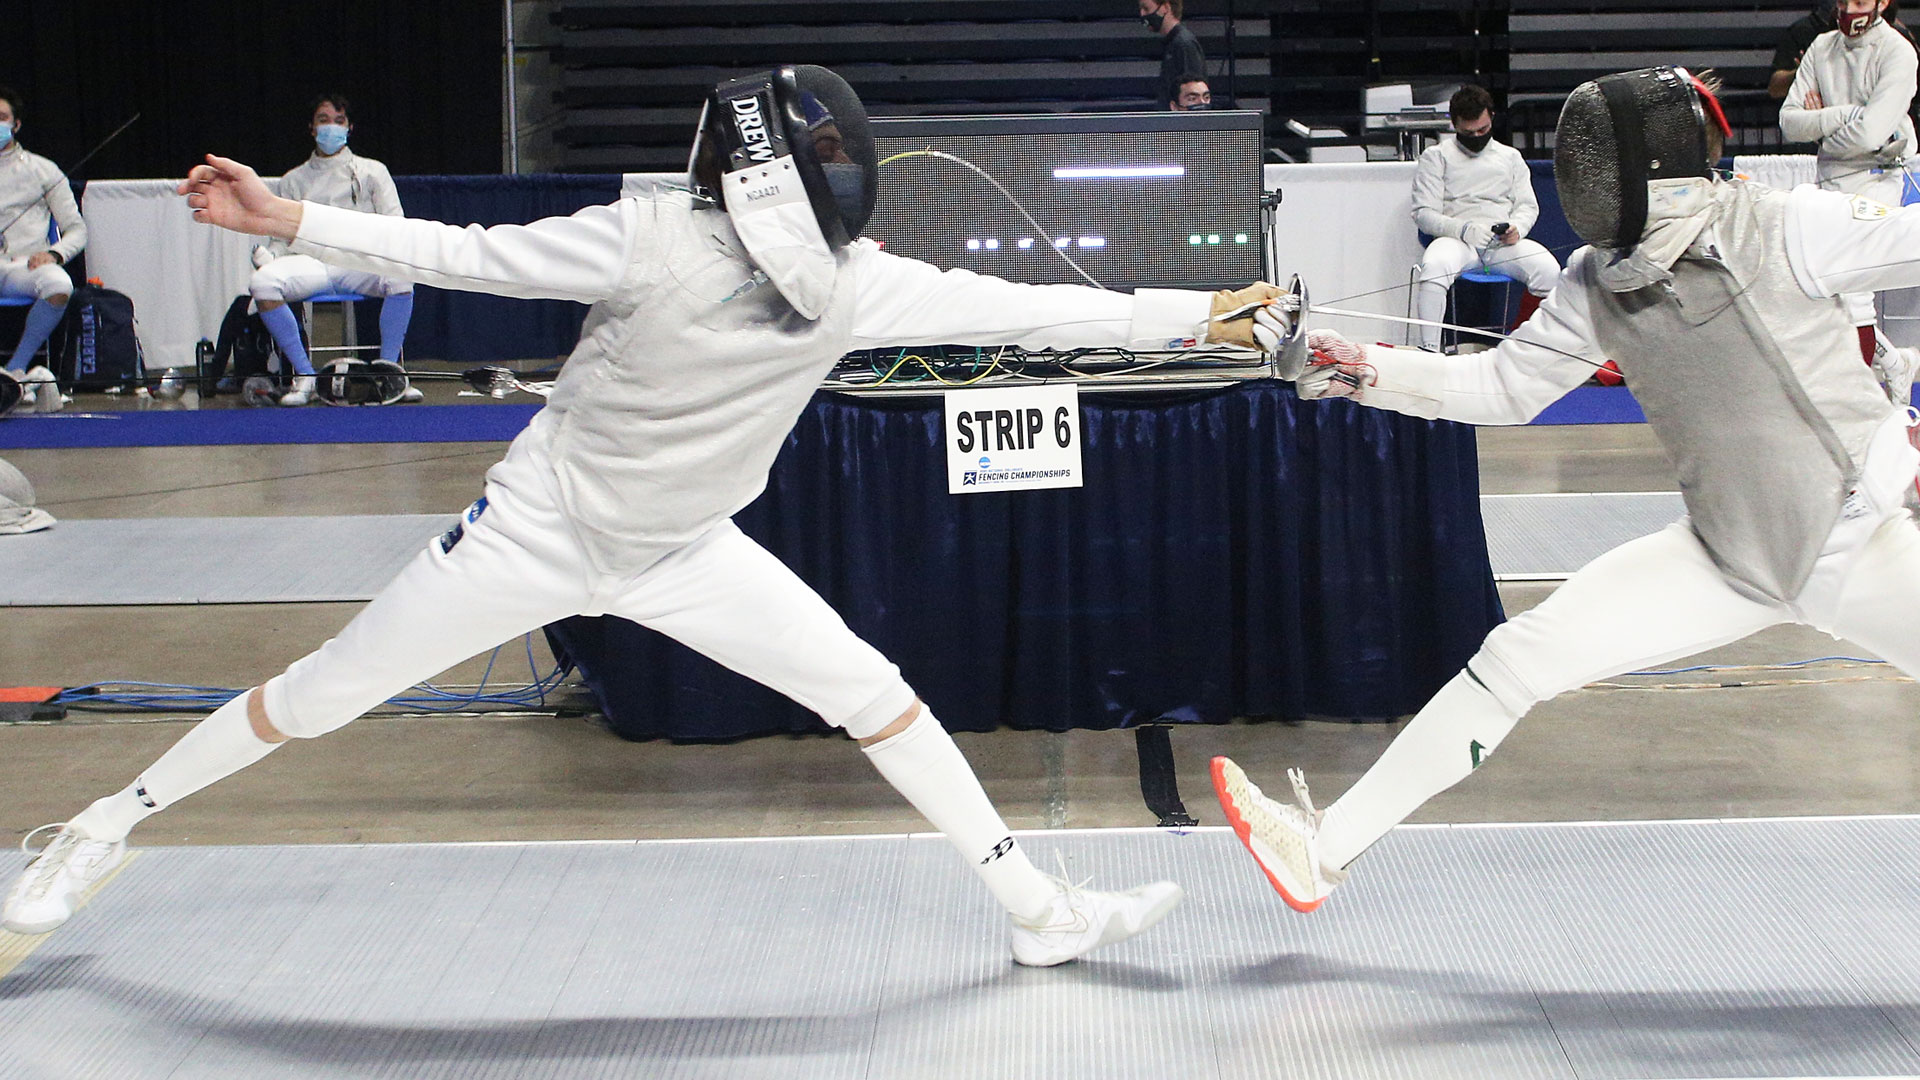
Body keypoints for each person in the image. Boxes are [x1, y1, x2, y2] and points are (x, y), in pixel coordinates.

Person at [1, 66, 1293, 965]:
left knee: (873, 690)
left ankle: (1037, 911)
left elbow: (1029, 309)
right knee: (321, 693)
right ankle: (99, 826)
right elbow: (460, 251)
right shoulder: (644, 236)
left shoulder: (859, 284)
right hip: (535, 533)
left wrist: (1199, 313)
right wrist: (285, 213)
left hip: (685, 552)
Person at [1212, 66, 1920, 912]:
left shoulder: (1786, 225)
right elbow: (1503, 388)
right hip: (1727, 556)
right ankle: (1320, 851)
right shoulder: (1594, 278)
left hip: (1861, 539)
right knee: (1517, 659)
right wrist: (1359, 368)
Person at [247, 93, 419, 406]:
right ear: (311, 128)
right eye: (323, 120)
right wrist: (269, 258)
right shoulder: (293, 180)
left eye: (339, 121)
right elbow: (281, 237)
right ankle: (305, 376)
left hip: (358, 261)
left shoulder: (372, 171)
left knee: (401, 277)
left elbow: (396, 223)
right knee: (262, 283)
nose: (331, 127)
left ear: (349, 127)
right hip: (310, 262)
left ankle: (389, 375)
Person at [1781, 0, 1920, 354]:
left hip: (1876, 179)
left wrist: (1821, 130)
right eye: (1843, 1)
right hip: (1828, 179)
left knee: (1853, 290)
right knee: (1829, 292)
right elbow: (1789, 122)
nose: (1848, 10)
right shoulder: (1821, 47)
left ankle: (1863, 386)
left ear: (1882, 2)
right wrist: (1846, 115)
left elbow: (1872, 134)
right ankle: (1895, 365)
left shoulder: (1898, 51)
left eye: (1858, 2)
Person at [1409, 84, 1560, 353]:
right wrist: (1463, 230)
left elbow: (1527, 206)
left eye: (1482, 130)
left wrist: (1517, 228)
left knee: (1548, 270)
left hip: (1501, 244)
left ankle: (1533, 348)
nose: (1477, 137)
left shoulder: (1510, 157)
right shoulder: (1436, 157)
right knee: (1434, 268)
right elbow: (1424, 214)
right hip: (1456, 241)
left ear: (1491, 117)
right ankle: (1429, 350)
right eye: (1469, 133)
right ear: (1455, 124)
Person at [0, 86, 87, 409]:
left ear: (16, 124)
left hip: (24, 267)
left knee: (59, 284)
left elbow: (77, 229)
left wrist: (53, 254)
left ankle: (14, 371)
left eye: (1, 117)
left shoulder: (43, 170)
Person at [1140, 0, 1206, 110]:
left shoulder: (1183, 44)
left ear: (1165, 7)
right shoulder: (1175, 42)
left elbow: (1194, 94)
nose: (1142, 14)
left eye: (1146, 8)